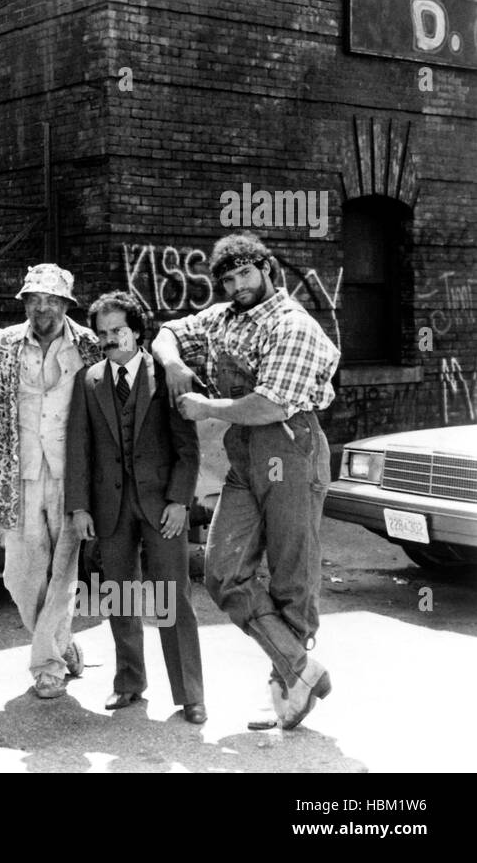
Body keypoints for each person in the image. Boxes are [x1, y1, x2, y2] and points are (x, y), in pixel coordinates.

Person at [152, 231, 339, 731]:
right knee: (221, 570)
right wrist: (172, 363)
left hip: (289, 448)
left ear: (267, 269)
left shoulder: (291, 324)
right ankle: (300, 668)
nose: (237, 285)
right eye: (228, 278)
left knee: (290, 577)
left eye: (245, 274)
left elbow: (272, 404)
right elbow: (166, 330)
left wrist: (205, 406)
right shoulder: (222, 317)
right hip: (245, 455)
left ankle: (287, 691)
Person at [66, 291, 206, 723]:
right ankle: (128, 682)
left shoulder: (164, 376)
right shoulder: (88, 380)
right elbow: (79, 449)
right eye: (103, 333)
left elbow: (188, 448)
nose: (111, 340)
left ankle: (191, 695)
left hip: (163, 507)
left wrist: (181, 502)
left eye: (118, 331)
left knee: (172, 598)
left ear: (138, 330)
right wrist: (80, 508)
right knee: (118, 595)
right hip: (111, 508)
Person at [0, 264, 104, 700]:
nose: (42, 308)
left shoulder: (89, 346)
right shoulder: (4, 346)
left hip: (73, 473)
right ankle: (62, 641)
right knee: (20, 576)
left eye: (51, 300)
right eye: (34, 299)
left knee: (63, 571)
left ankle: (46, 666)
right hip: (20, 474)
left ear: (67, 304)